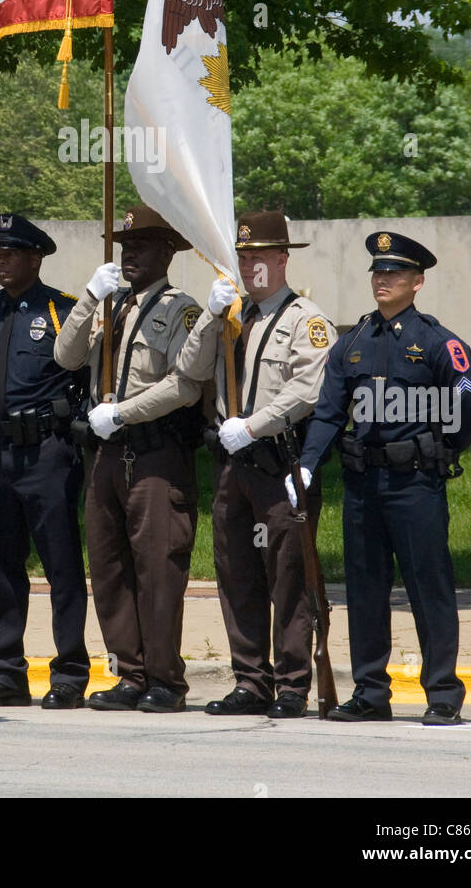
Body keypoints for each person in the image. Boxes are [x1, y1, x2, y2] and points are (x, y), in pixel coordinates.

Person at [291, 231, 471, 726]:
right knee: (364, 588)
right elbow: (330, 414)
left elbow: (467, 408)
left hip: (415, 484)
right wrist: (309, 465)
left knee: (429, 587)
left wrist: (438, 450)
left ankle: (442, 693)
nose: (383, 280)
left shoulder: (440, 343)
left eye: (395, 273)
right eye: (377, 272)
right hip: (361, 486)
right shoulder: (352, 342)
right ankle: (371, 691)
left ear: (418, 282)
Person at [176, 210, 336, 718]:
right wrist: (209, 315)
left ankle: (292, 684)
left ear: (283, 258)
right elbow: (191, 371)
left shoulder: (305, 320)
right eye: (244, 258)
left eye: (261, 256)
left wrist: (253, 424)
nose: (251, 267)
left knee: (288, 575)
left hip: (278, 464)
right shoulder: (230, 318)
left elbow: (308, 388)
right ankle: (251, 680)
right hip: (231, 469)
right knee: (236, 574)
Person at [54, 204, 204, 713]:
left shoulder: (181, 310)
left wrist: (122, 413)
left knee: (158, 570)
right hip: (104, 456)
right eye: (124, 246)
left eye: (140, 246)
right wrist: (89, 296)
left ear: (167, 252)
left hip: (154, 455)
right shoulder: (106, 304)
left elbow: (184, 385)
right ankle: (129, 672)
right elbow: (66, 356)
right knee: (110, 567)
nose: (129, 254)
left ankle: (166, 680)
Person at [0, 214, 90, 711]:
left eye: (12, 253)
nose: (3, 260)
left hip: (46, 454)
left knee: (61, 565)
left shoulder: (62, 311)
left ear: (35, 258)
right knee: (1, 567)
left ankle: (70, 674)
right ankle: (7, 672)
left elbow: (82, 372)